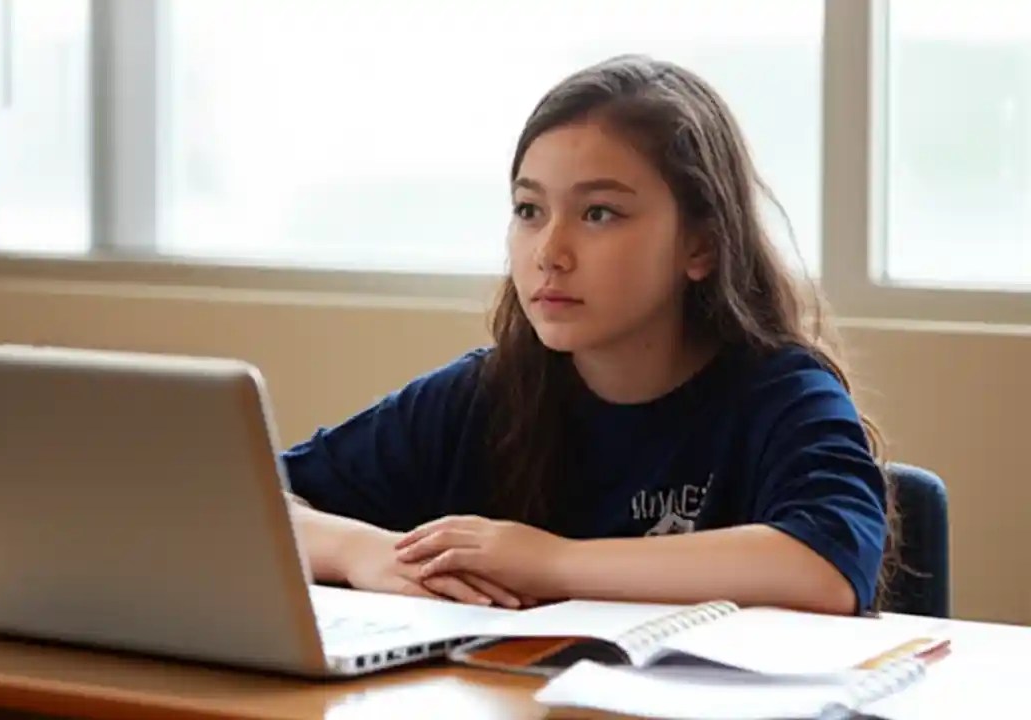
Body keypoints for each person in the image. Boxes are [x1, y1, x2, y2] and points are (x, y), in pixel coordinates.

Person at [282, 55, 894, 616]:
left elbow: (826, 566)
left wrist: (549, 561)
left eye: (599, 213)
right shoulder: (484, 395)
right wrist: (361, 551)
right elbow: (244, 506)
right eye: (529, 211)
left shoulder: (781, 392)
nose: (550, 252)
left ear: (700, 245)